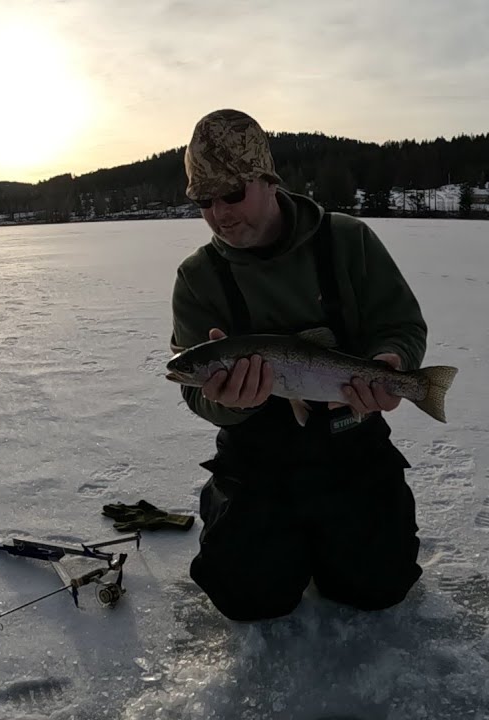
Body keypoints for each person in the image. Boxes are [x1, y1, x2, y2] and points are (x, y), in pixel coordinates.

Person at [169, 108, 428, 622]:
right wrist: (229, 404)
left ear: (268, 180)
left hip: (354, 444)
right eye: (204, 201)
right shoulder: (198, 278)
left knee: (379, 588)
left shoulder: (348, 240)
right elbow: (196, 391)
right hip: (258, 463)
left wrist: (392, 362)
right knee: (246, 600)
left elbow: (400, 323)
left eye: (232, 194)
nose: (220, 213)